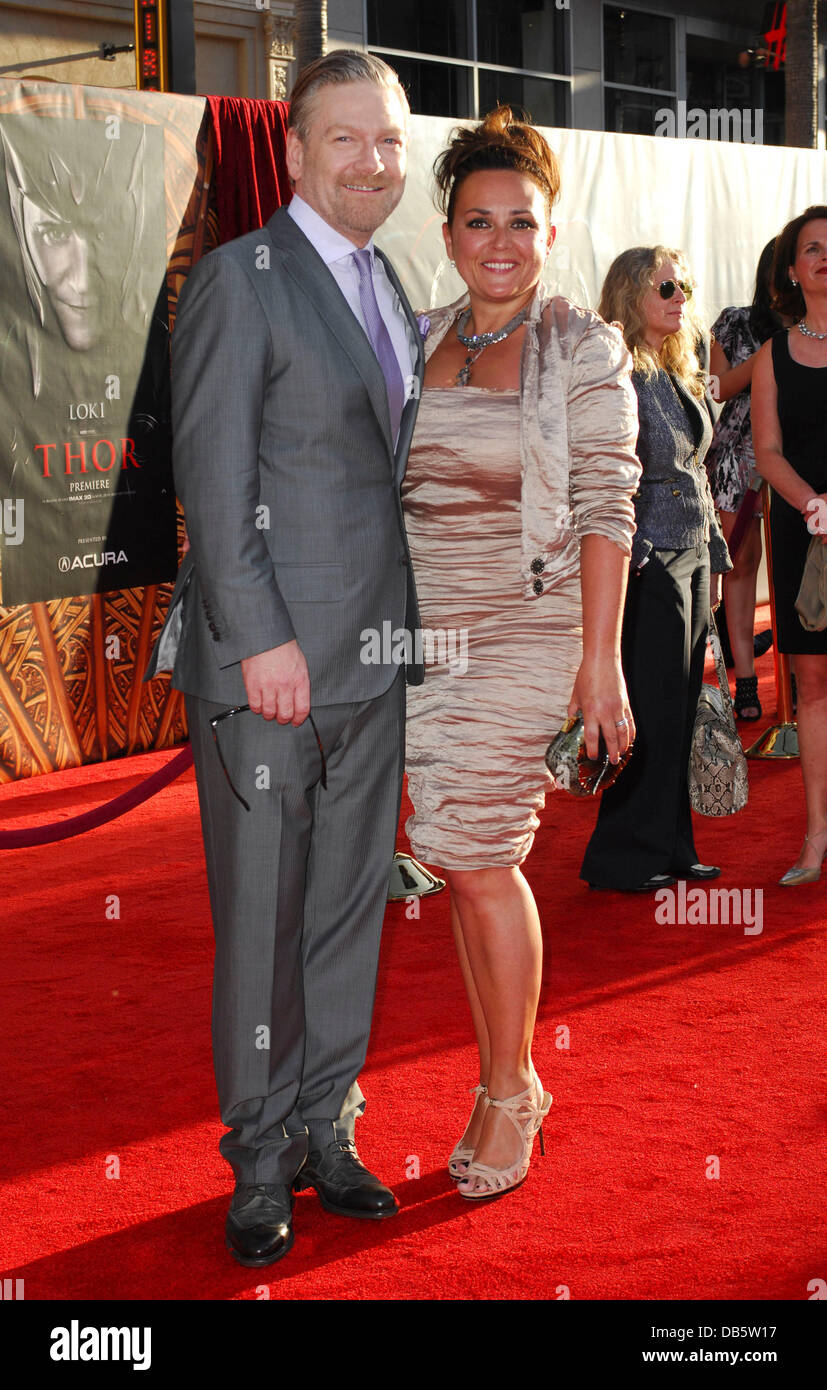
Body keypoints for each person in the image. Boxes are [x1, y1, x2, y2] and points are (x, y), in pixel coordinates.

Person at [145, 51, 424, 1266]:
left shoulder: (391, 276)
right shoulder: (238, 280)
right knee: (261, 922)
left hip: (374, 658)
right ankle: (258, 1160)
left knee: (350, 908)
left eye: (392, 142)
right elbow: (212, 478)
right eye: (348, 140)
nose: (374, 162)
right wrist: (260, 638)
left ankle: (328, 1125)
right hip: (272, 671)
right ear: (297, 153)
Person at [402, 107, 641, 1201]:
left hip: (527, 628)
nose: (498, 241)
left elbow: (606, 505)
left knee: (482, 854)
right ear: (446, 232)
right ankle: (503, 1074)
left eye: (520, 222)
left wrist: (599, 662)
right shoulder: (413, 334)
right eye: (475, 221)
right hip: (421, 635)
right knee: (457, 855)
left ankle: (511, 1089)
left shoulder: (577, 343)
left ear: (549, 232)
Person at [580, 247, 731, 893]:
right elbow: (603, 479)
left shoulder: (674, 371)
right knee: (649, 709)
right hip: (648, 565)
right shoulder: (617, 374)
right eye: (666, 286)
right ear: (631, 292)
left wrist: (717, 558)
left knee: (678, 711)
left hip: (691, 559)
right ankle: (623, 856)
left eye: (684, 287)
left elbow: (693, 472)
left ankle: (669, 847)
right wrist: (639, 559)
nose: (680, 297)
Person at [752, 205, 827, 885]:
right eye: (812, 247)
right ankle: (813, 838)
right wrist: (810, 503)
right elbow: (765, 449)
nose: (824, 256)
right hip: (803, 529)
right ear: (792, 268)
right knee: (810, 684)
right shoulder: (773, 354)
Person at [706, 240, 785, 719]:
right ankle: (748, 684)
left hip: (799, 461)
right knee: (740, 567)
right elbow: (717, 388)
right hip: (738, 456)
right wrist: (776, 352)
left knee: (798, 567)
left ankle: (798, 674)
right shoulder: (735, 322)